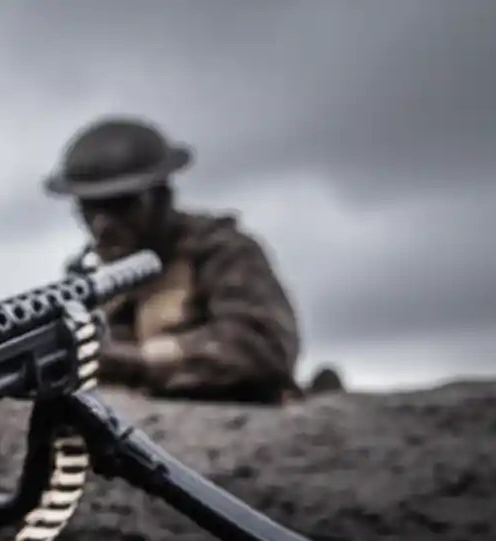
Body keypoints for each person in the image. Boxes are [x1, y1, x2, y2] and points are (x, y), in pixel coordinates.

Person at [45, 116, 310, 404]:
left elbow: (263, 347)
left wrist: (134, 360)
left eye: (120, 206)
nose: (102, 226)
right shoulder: (88, 278)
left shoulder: (218, 251)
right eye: (89, 209)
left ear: (161, 197)